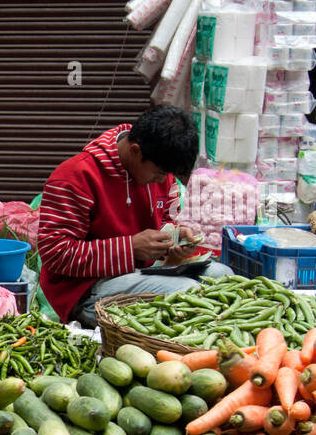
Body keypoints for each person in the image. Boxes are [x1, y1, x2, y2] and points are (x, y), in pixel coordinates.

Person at [36, 106, 233, 327]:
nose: (162, 181)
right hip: (85, 291)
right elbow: (55, 253)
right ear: (135, 150)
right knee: (187, 293)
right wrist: (130, 248)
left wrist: (174, 239)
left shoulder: (158, 166)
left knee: (222, 276)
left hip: (142, 273)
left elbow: (167, 219)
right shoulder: (75, 177)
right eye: (159, 173)